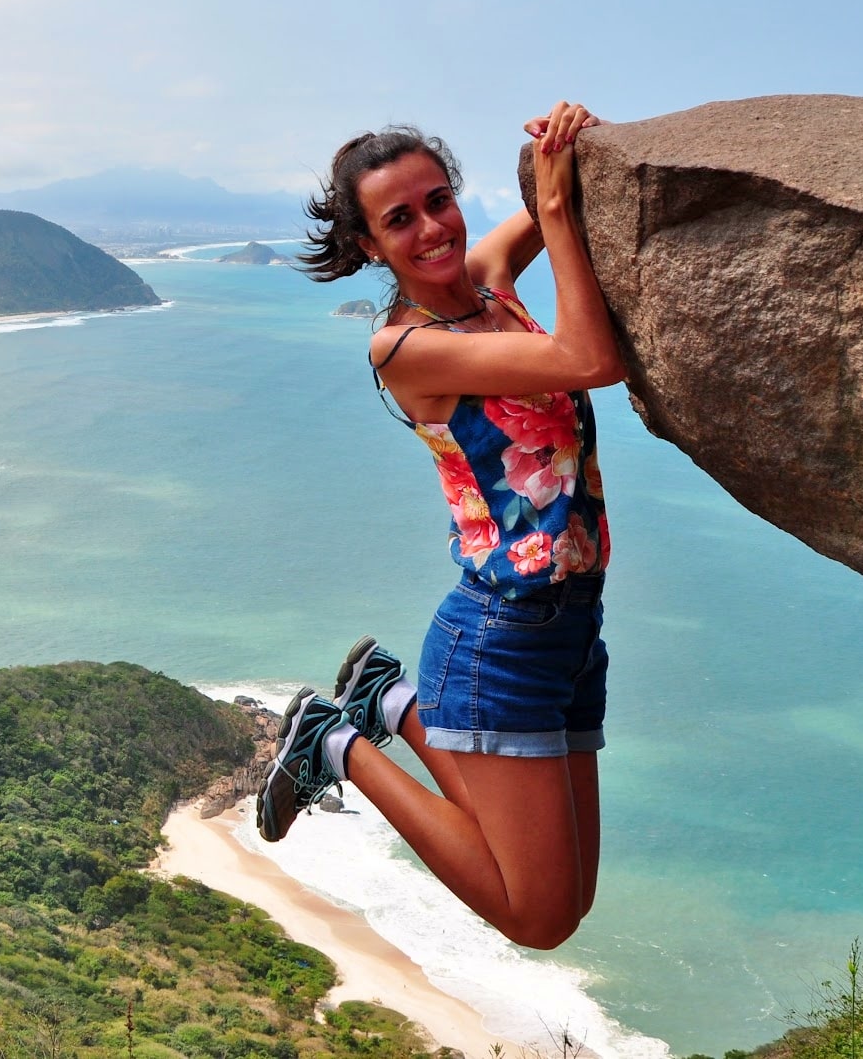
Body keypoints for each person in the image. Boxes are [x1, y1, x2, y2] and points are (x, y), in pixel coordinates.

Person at [258, 101, 622, 950]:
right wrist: (555, 207)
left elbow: (562, 188)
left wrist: (570, 138)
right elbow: (589, 358)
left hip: (573, 627)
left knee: (573, 901)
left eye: (438, 201)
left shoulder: (489, 285)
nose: (430, 228)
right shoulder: (404, 348)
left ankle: (386, 695)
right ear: (368, 245)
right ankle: (334, 743)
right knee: (539, 918)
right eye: (399, 220)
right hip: (500, 638)